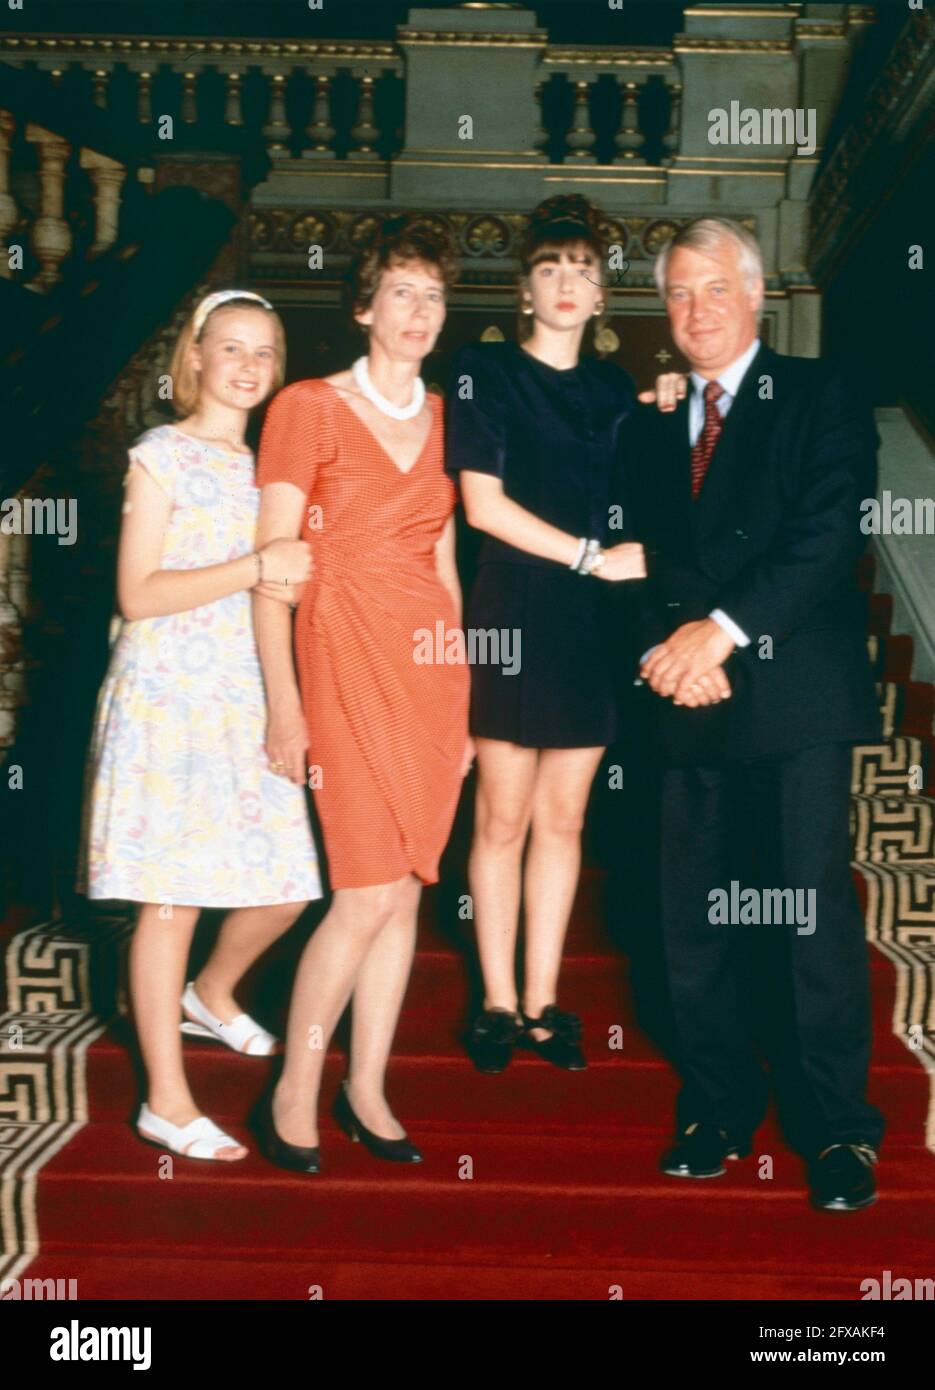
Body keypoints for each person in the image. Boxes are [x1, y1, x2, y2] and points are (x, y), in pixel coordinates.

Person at [622, 217, 885, 1211]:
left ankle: (836, 1133)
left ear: (755, 293)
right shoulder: (647, 425)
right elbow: (634, 551)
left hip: (791, 697)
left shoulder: (819, 393)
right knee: (691, 921)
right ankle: (714, 1106)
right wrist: (665, 647)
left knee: (807, 917)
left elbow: (825, 531)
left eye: (713, 290)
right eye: (678, 294)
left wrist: (718, 632)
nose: (694, 311)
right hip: (684, 697)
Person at [78, 289, 321, 1162]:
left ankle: (211, 991)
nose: (249, 364)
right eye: (231, 348)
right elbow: (137, 594)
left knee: (291, 883)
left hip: (242, 694)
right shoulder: (161, 454)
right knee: (170, 899)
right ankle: (167, 1101)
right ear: (195, 359)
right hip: (165, 694)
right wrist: (257, 563)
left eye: (266, 350)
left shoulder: (271, 467)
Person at [251, 216, 471, 1173]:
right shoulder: (306, 407)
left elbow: (445, 563)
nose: (419, 311)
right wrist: (283, 704)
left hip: (431, 676)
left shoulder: (449, 420)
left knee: (407, 893)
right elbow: (272, 568)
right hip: (337, 658)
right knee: (364, 888)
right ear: (364, 305)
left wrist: (463, 705)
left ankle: (367, 1087)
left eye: (433, 295)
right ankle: (294, 1089)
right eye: (401, 292)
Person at [445, 195, 646, 1075]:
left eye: (584, 272)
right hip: (513, 601)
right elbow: (482, 508)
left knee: (562, 820)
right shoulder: (483, 373)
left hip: (587, 622)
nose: (567, 285)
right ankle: (493, 1003)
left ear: (602, 296)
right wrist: (590, 556)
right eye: (550, 269)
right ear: (524, 289)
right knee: (500, 816)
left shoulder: (614, 388)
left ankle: (541, 1004)